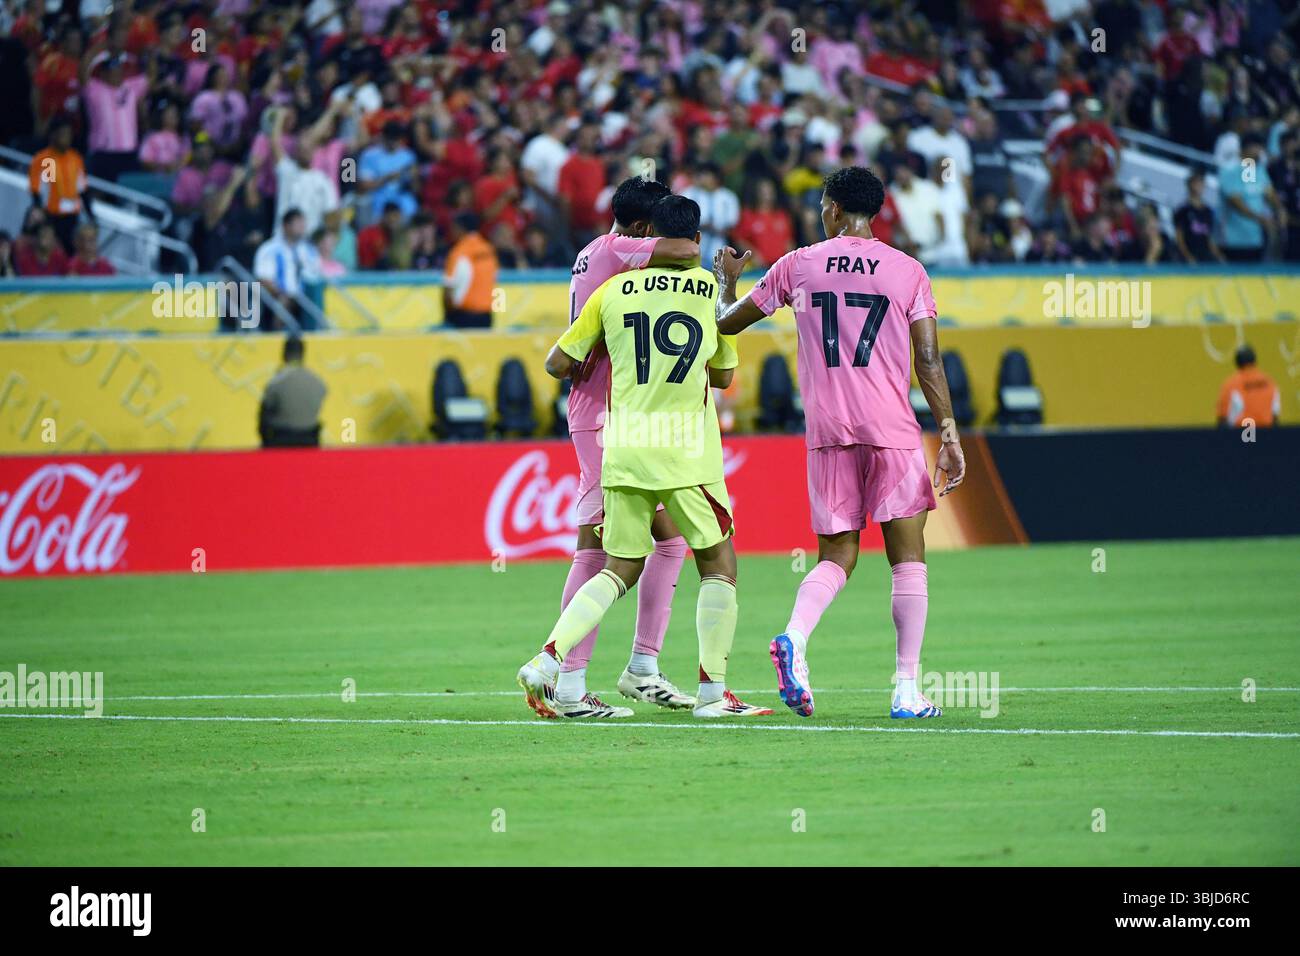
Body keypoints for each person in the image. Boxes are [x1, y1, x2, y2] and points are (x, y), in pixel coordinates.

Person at [715, 166, 966, 720]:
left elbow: (726, 324)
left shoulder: (798, 264)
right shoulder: (908, 272)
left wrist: (728, 282)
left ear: (831, 209)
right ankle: (905, 689)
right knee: (907, 559)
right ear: (873, 212)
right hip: (892, 432)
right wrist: (949, 435)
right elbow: (927, 361)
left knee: (837, 555)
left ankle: (795, 639)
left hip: (828, 432)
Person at [517, 194, 772, 720]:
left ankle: (558, 661)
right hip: (681, 450)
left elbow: (555, 362)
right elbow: (723, 376)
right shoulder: (703, 290)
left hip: (623, 445)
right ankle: (708, 695)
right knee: (717, 562)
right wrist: (727, 284)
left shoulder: (611, 286)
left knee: (624, 561)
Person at [546, 176, 704, 717]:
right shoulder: (619, 248)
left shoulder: (592, 252)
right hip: (606, 416)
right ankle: (567, 684)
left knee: (669, 537)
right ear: (641, 227)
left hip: (616, 416)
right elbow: (685, 250)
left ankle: (643, 667)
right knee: (595, 548)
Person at [28, 116, 89, 253]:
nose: (66, 138)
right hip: (52, 216)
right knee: (54, 251)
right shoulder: (45, 159)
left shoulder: (75, 158)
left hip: (72, 215)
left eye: (68, 135)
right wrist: (40, 210)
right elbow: (38, 190)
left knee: (71, 251)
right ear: (53, 136)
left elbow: (82, 189)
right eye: (63, 134)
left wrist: (90, 215)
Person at [253, 208, 320, 330]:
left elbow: (316, 274)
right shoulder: (269, 249)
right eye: (298, 224)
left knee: (318, 297)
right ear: (286, 226)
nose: (302, 227)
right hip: (278, 297)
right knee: (283, 302)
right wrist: (282, 293)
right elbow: (263, 280)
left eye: (303, 224)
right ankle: (276, 336)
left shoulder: (308, 250)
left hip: (304, 297)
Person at [259, 335, 327, 447]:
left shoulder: (276, 383)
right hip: (310, 440)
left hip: (280, 442)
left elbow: (263, 418)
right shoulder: (317, 382)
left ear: (284, 354)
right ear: (303, 354)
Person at [441, 212, 497, 328]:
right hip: (487, 314)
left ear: (460, 228)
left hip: (464, 315)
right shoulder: (488, 250)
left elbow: (448, 288)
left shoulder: (459, 252)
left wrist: (447, 317)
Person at [1217, 345, 1280, 428]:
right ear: (1254, 360)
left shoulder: (1231, 385)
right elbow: (1275, 416)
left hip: (1241, 434)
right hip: (1266, 433)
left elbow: (1223, 418)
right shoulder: (1269, 382)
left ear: (1237, 362)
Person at [1174, 171, 1226, 264]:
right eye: (1196, 183)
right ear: (1189, 185)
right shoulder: (1182, 210)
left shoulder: (1208, 211)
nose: (1199, 186)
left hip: (1205, 257)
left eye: (1201, 183)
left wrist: (1218, 255)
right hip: (1189, 257)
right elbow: (1179, 239)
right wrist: (1188, 257)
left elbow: (1210, 237)